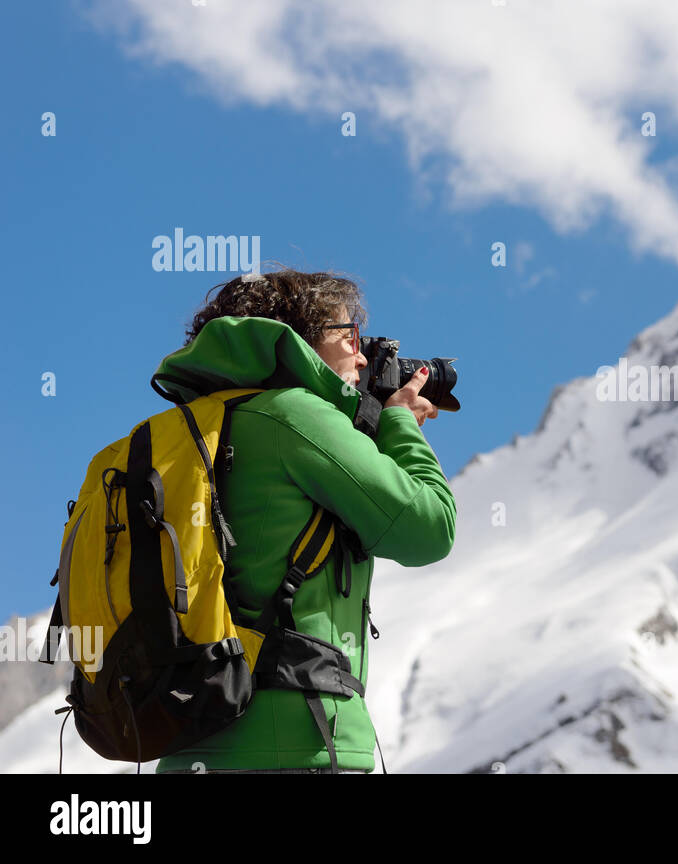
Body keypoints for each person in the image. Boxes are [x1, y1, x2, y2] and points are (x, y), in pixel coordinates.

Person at [151, 268, 456, 773]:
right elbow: (430, 529)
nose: (361, 355)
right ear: (299, 339)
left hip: (188, 745)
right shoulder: (295, 416)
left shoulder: (186, 431)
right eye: (349, 335)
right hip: (298, 746)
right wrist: (399, 420)